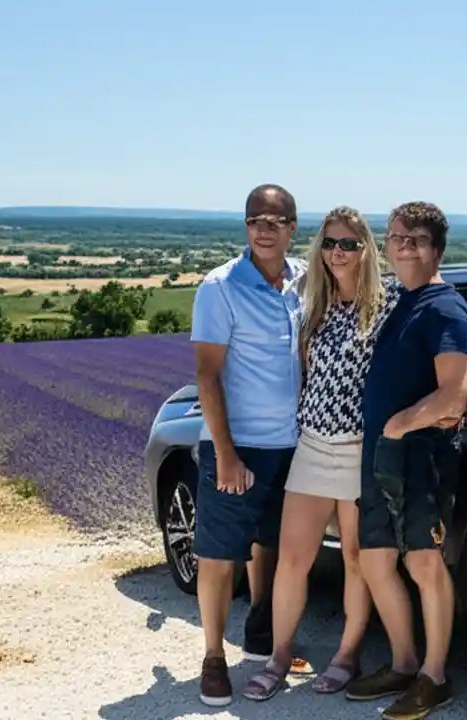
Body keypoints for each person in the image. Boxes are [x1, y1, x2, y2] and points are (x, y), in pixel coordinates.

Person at [241, 206, 402, 701]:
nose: (338, 252)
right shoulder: (315, 300)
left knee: (355, 560)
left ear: (366, 249)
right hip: (312, 445)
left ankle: (346, 656)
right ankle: (279, 654)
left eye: (349, 244)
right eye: (330, 243)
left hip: (358, 450)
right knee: (292, 558)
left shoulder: (389, 299)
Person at [345, 201, 467, 719]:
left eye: (415, 238)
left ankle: (434, 677)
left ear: (436, 248)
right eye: (396, 236)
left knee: (423, 562)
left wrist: (399, 425)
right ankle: (402, 662)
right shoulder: (403, 300)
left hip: (421, 454)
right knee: (374, 560)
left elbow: (453, 397)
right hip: (383, 454)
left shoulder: (446, 308)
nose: (402, 245)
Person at [190, 183, 306, 708]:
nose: (264, 228)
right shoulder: (220, 287)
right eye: (255, 219)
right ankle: (214, 659)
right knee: (219, 556)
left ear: (292, 228)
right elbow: (208, 376)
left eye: (275, 220)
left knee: (274, 549)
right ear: (245, 227)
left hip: (294, 447)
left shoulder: (306, 280)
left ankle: (264, 640)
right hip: (237, 447)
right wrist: (227, 454)